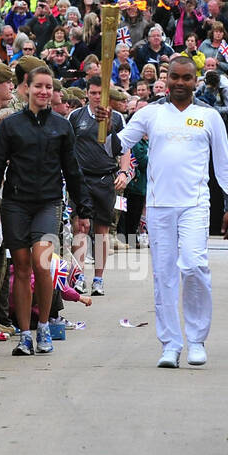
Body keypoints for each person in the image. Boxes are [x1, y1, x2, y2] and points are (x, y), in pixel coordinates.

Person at [100, 56, 228, 368]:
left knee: (194, 266)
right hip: (159, 206)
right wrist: (106, 125)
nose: (179, 83)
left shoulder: (208, 116)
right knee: (164, 276)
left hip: (195, 205)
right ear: (167, 78)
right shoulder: (150, 113)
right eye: (174, 76)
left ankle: (197, 340)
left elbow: (224, 162)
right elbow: (116, 146)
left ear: (195, 80)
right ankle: (171, 345)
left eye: (186, 78)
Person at [0, 65, 91, 356]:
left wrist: (83, 210)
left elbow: (73, 170)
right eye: (38, 86)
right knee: (21, 267)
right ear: (27, 88)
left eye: (48, 87)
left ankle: (44, 325)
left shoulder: (62, 126)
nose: (44, 92)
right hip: (15, 204)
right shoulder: (11, 125)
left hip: (48, 203)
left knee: (42, 262)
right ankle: (24, 335)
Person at [68, 74, 129, 296]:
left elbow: (125, 148)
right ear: (86, 94)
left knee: (101, 230)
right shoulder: (76, 116)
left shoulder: (117, 118)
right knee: (80, 226)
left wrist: (124, 172)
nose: (96, 97)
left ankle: (98, 279)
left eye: (99, 93)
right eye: (92, 93)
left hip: (105, 178)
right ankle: (78, 276)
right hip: (81, 179)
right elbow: (67, 146)